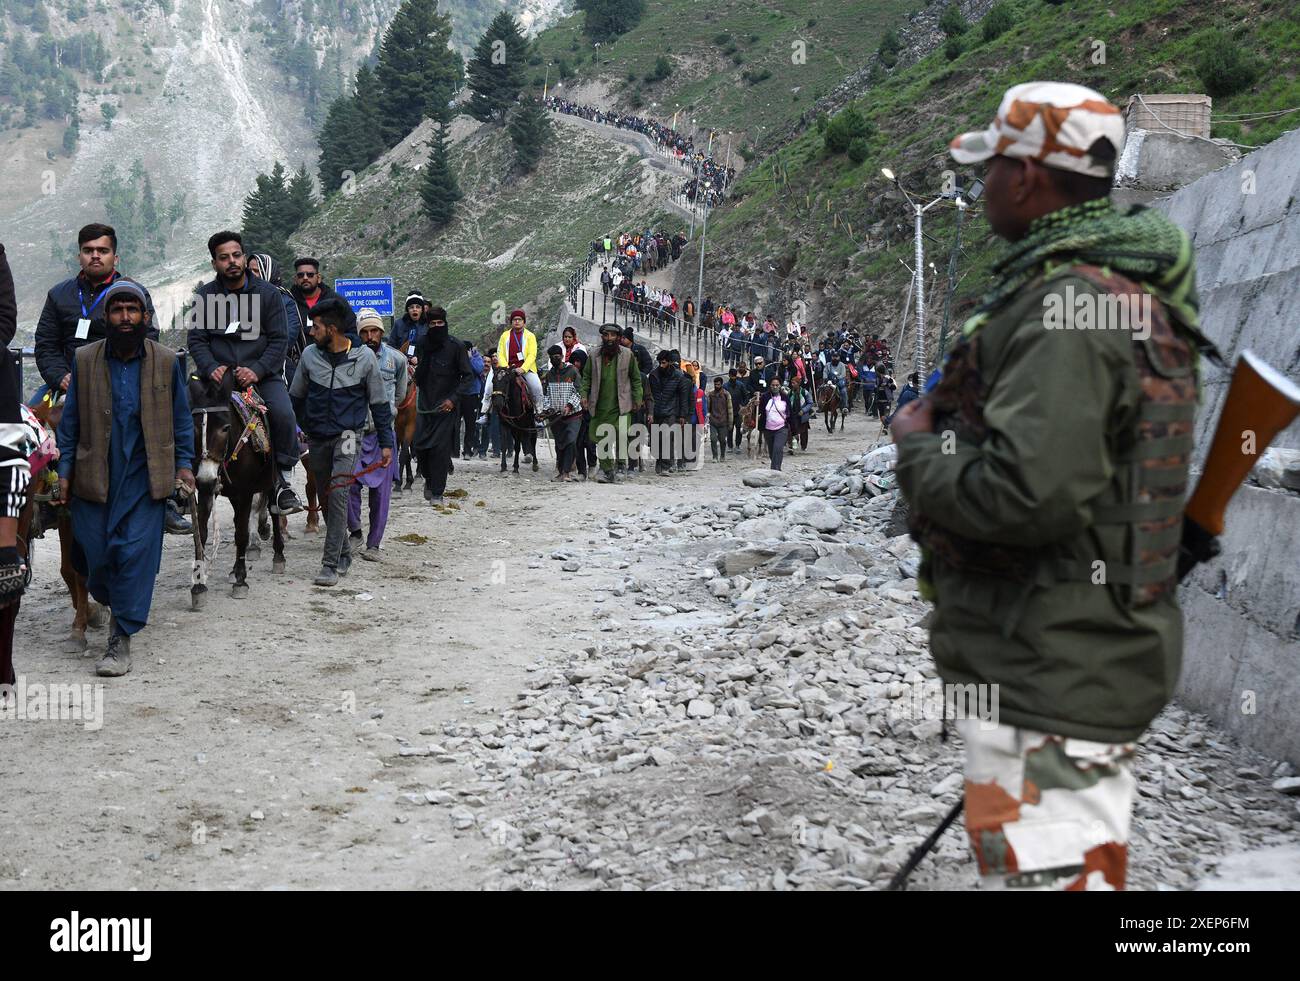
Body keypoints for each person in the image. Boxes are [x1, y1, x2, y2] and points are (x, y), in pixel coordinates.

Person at [893, 81, 1214, 891]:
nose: (982, 185)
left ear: (1028, 178)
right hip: (1057, 657)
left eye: (992, 168)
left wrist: (917, 447)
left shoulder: (1068, 308)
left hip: (1051, 669)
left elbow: (1025, 495)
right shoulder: (1112, 290)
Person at [53, 281, 195, 676]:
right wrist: (64, 471)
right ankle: (107, 599)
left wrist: (184, 466)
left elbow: (182, 420)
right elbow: (70, 423)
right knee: (98, 557)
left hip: (143, 476)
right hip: (95, 474)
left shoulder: (166, 361)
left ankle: (120, 638)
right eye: (118, 311)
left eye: (133, 310)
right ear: (106, 317)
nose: (125, 318)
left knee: (133, 555)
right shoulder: (84, 360)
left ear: (145, 317)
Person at [189, 231, 303, 516]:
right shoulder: (205, 296)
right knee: (184, 411)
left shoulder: (268, 295)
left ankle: (282, 484)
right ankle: (182, 481)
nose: (232, 262)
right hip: (217, 379)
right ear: (214, 263)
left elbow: (279, 340)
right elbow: (197, 341)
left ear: (244, 256)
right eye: (224, 257)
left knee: (284, 414)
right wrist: (210, 367)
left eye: (236, 255)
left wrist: (258, 370)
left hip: (261, 377)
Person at [290, 298, 393, 586]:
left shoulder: (365, 359)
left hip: (349, 437)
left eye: (316, 327)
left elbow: (380, 404)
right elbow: (295, 398)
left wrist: (387, 444)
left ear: (332, 329)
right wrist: (297, 430)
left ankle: (330, 564)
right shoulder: (310, 356)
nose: (312, 332)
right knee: (325, 495)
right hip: (318, 438)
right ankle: (345, 552)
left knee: (337, 493)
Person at [347, 310, 407, 561]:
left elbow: (400, 395)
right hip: (352, 433)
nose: (370, 336)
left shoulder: (397, 360)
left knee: (381, 493)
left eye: (375, 331)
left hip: (382, 434)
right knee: (347, 483)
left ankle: (374, 544)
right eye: (365, 332)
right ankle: (355, 532)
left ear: (382, 332)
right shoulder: (348, 358)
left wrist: (385, 415)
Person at [412, 307, 473, 504]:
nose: (437, 327)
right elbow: (418, 374)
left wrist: (453, 400)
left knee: (439, 450)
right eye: (432, 324)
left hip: (446, 407)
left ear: (445, 323)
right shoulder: (422, 344)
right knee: (420, 447)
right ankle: (429, 480)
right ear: (428, 325)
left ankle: (437, 492)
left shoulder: (456, 346)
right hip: (424, 405)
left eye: (440, 323)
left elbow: (468, 376)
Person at [579, 324, 643, 484]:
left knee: (622, 435)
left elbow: (636, 379)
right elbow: (586, 377)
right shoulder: (593, 355)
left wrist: (637, 398)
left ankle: (621, 466)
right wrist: (584, 395)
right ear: (602, 337)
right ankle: (607, 469)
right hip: (600, 405)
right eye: (606, 335)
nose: (609, 339)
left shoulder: (627, 355)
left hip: (622, 404)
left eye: (613, 335)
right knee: (602, 436)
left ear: (618, 338)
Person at [290, 257, 358, 342]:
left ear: (318, 278)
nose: (305, 278)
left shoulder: (336, 301)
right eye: (301, 275)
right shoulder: (288, 302)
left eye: (310, 274)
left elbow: (352, 331)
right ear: (295, 279)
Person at [542, 345, 583, 481]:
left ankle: (566, 472)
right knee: (559, 443)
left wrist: (569, 406)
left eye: (557, 356)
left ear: (561, 356)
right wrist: (548, 409)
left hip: (573, 415)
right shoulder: (549, 375)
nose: (555, 358)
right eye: (552, 357)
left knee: (570, 441)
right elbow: (546, 395)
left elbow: (578, 391)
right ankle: (560, 471)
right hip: (556, 416)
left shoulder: (572, 371)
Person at [647, 350, 690, 477]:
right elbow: (649, 395)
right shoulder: (653, 375)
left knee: (666, 438)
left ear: (670, 362)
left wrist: (682, 415)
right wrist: (649, 412)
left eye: (664, 363)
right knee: (656, 440)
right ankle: (659, 462)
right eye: (660, 362)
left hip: (670, 412)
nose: (661, 365)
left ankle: (666, 465)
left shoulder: (678, 377)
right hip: (655, 412)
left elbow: (683, 397)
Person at [496, 309, 544, 415]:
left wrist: (523, 369)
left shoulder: (530, 336)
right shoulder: (505, 336)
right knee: (491, 386)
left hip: (525, 369)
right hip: (507, 369)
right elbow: (500, 353)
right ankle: (486, 412)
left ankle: (539, 413)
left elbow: (532, 354)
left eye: (519, 319)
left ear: (524, 322)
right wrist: (506, 368)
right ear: (511, 322)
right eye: (514, 319)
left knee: (537, 387)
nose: (517, 321)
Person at [460, 342, 485, 458]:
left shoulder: (476, 357)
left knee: (470, 424)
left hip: (472, 394)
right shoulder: (456, 356)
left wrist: (470, 359)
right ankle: (452, 449)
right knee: (453, 422)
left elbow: (479, 370)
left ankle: (467, 450)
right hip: (457, 394)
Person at [759, 383, 790, 471]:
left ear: (780, 386)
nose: (775, 387)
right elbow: (760, 410)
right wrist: (757, 403)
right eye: (773, 385)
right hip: (768, 428)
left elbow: (790, 412)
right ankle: (775, 467)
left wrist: (793, 428)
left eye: (777, 385)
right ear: (770, 386)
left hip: (782, 427)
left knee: (778, 448)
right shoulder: (765, 397)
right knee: (772, 451)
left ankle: (775, 469)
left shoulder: (785, 398)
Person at [388, 293, 428, 358]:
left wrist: (419, 358)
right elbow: (391, 346)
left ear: (422, 310)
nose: (415, 309)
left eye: (418, 307)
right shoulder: (398, 324)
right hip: (402, 363)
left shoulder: (427, 325)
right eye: (411, 307)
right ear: (408, 310)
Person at [706, 376, 732, 463]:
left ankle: (722, 455)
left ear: (721, 384)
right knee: (713, 439)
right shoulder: (710, 394)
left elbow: (730, 409)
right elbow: (708, 407)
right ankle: (714, 456)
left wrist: (730, 422)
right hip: (713, 420)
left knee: (722, 440)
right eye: (715, 384)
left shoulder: (726, 394)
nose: (717, 386)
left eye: (718, 384)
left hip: (723, 421)